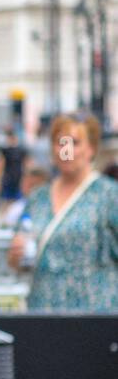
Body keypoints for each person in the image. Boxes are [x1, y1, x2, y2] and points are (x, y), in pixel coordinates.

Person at [8, 112, 118, 311]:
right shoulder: (38, 198)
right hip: (45, 309)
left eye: (74, 143)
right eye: (60, 142)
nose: (66, 150)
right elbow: (19, 259)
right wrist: (17, 255)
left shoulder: (109, 195)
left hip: (95, 312)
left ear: (91, 148)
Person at [0, 126, 26, 212]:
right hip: (8, 179)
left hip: (18, 178)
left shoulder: (21, 150)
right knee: (7, 201)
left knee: (17, 201)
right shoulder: (5, 151)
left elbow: (26, 164)